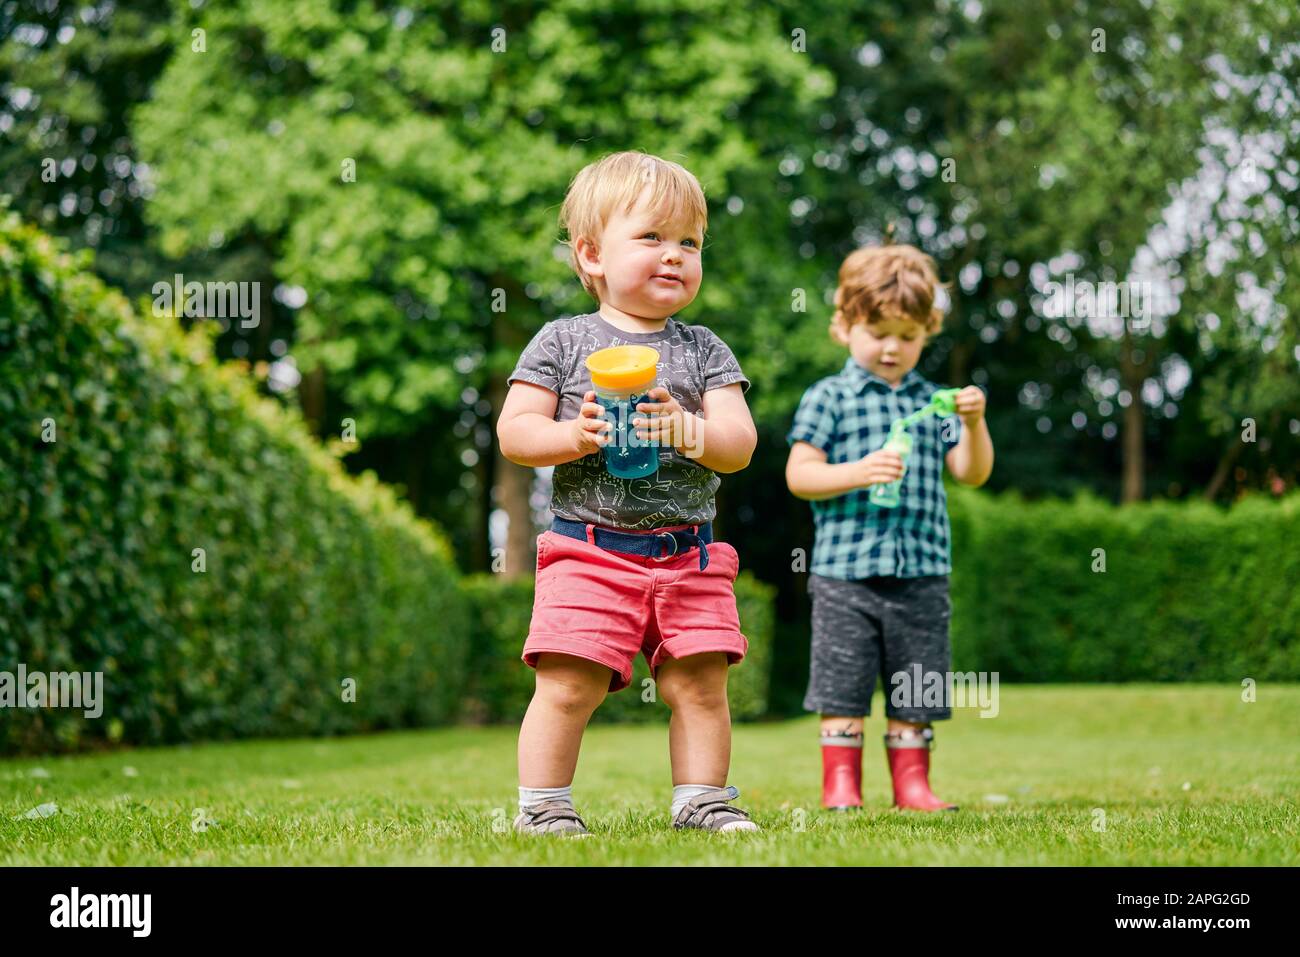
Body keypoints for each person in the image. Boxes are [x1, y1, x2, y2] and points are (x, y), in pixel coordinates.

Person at [497, 151, 760, 836]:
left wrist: (686, 426)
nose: (674, 255)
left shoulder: (704, 351)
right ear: (590, 253)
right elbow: (516, 432)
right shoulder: (562, 341)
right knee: (567, 684)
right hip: (589, 551)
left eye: (690, 242)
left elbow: (738, 445)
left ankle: (703, 800)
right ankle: (545, 806)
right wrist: (575, 435)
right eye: (652, 237)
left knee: (700, 684)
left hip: (688, 556)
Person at [784, 243, 994, 812]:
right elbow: (800, 475)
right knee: (842, 683)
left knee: (917, 684)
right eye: (877, 331)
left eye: (907, 334)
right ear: (845, 326)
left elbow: (970, 473)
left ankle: (913, 785)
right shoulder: (829, 397)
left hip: (922, 572)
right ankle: (841, 786)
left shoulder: (935, 403)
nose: (892, 347)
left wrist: (973, 427)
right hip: (843, 574)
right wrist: (858, 471)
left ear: (928, 330)